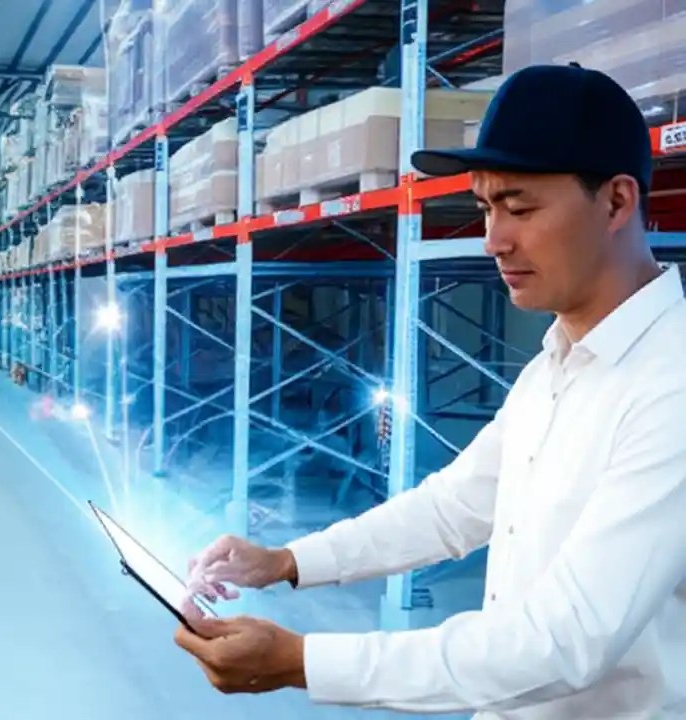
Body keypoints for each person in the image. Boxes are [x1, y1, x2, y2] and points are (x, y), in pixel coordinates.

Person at [172, 62, 686, 718]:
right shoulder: (556, 365)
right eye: (485, 208)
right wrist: (287, 560)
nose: (493, 240)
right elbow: (452, 507)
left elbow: (566, 640)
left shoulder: (670, 385)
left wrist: (301, 661)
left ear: (615, 201)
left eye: (519, 208)